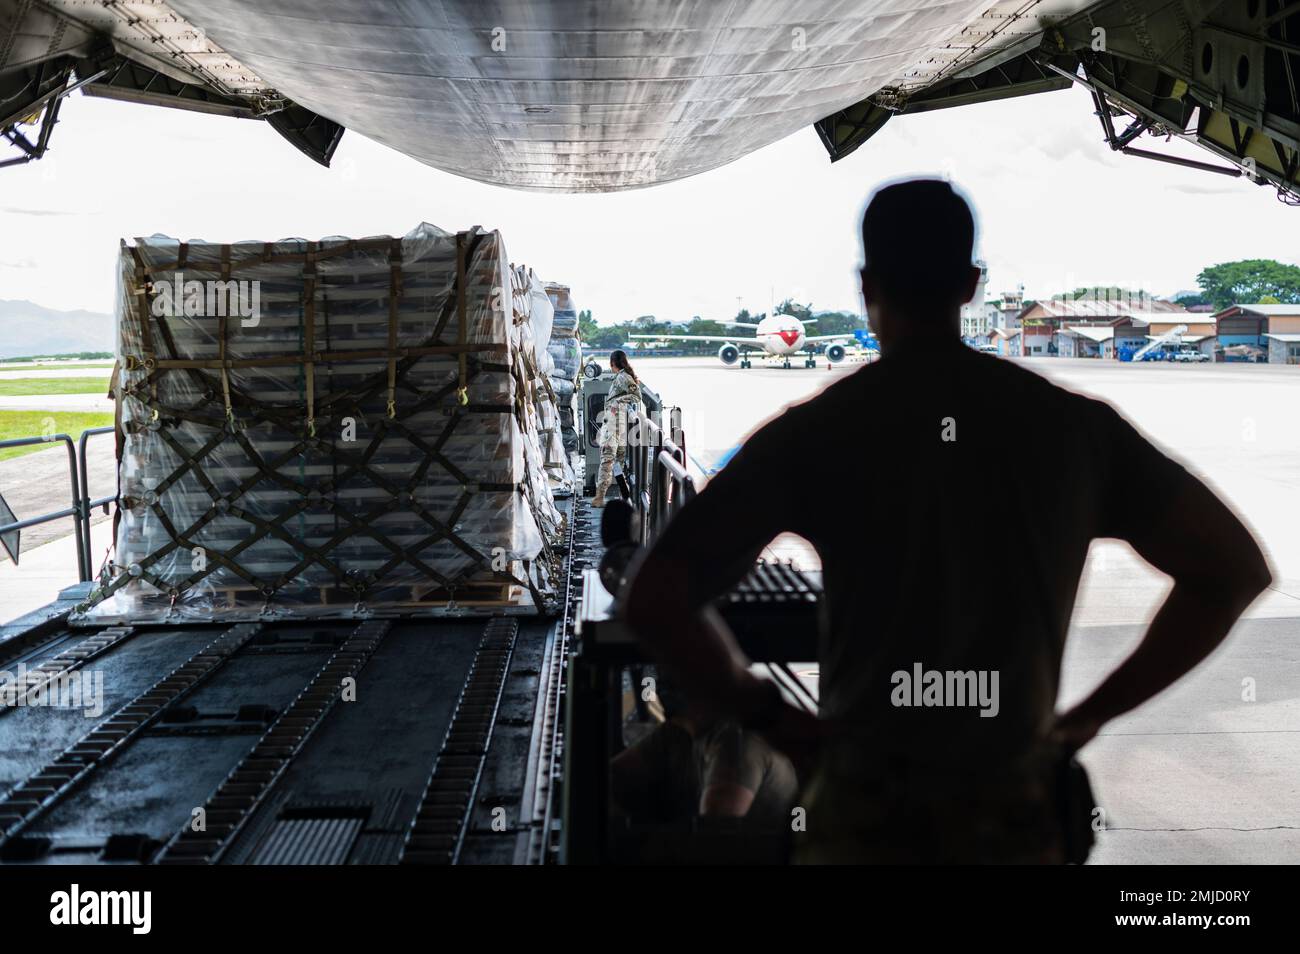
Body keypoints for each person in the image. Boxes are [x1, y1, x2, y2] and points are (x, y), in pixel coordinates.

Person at [621, 178, 1272, 863]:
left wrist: (780, 724)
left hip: (864, 813)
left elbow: (655, 597)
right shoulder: (1074, 430)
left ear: (867, 284)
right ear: (970, 284)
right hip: (1013, 813)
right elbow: (1232, 571)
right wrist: (1083, 721)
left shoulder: (817, 433)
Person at [592, 349, 642, 508]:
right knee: (619, 461)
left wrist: (618, 402)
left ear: (613, 363)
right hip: (617, 423)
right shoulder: (622, 376)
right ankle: (625, 494)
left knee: (607, 459)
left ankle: (600, 497)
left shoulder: (622, 377)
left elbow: (637, 396)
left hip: (614, 423)